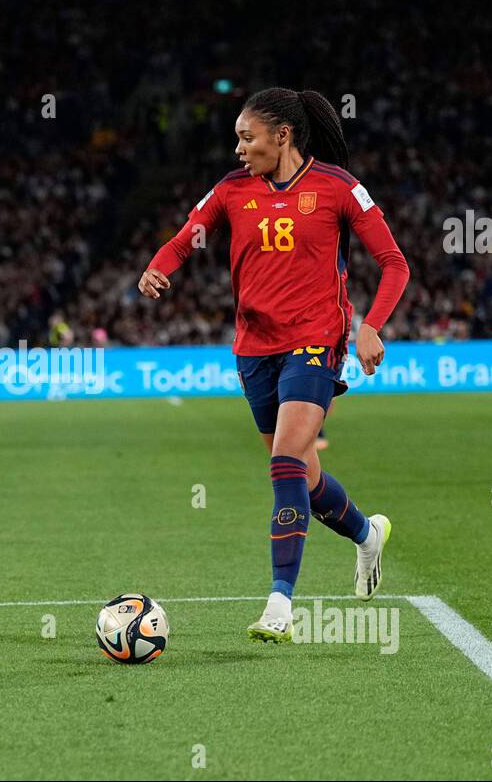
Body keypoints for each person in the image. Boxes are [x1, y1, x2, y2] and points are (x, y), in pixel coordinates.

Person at [137, 87, 410, 643]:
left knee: (284, 461)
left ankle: (280, 603)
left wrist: (371, 325)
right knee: (302, 475)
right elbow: (185, 240)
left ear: (281, 135)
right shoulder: (232, 190)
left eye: (247, 137)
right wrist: (157, 267)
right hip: (253, 348)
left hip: (315, 340)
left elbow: (394, 262)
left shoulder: (339, 188)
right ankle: (366, 535)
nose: (239, 149)